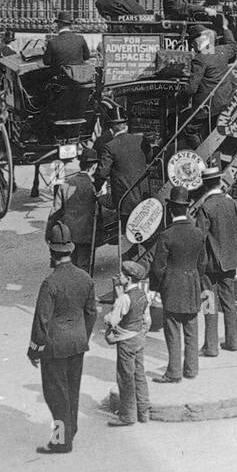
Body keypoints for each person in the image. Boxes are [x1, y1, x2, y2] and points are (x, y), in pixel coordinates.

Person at [28, 222, 98, 454]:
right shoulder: (85, 278)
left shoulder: (50, 283)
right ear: (70, 249)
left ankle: (60, 440)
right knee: (72, 389)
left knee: (55, 395)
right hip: (77, 344)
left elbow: (41, 320)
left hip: (54, 347)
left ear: (51, 251)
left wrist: (34, 350)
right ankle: (72, 428)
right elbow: (91, 313)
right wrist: (82, 335)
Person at [150, 186, 207, 382]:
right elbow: (202, 263)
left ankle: (174, 373)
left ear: (171, 209)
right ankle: (191, 370)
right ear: (187, 208)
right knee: (191, 328)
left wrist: (158, 288)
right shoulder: (198, 233)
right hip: (192, 286)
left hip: (172, 289)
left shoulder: (166, 235)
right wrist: (194, 279)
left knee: (173, 331)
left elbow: (158, 267)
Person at [193, 166, 237, 356]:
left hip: (210, 266)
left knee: (209, 304)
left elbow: (200, 239)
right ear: (219, 182)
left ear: (205, 185)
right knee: (229, 302)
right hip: (230, 263)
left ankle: (211, 346)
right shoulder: (233, 204)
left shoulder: (206, 208)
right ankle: (232, 341)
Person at [105, 258, 151, 426]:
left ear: (129, 279)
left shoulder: (124, 298)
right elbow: (147, 319)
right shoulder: (142, 295)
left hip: (126, 340)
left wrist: (107, 318)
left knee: (125, 377)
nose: (120, 276)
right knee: (139, 373)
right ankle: (144, 411)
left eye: (123, 275)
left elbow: (113, 320)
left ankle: (128, 415)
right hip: (139, 336)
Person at [46, 152, 108, 270]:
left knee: (71, 264)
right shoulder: (92, 186)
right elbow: (103, 209)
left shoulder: (65, 184)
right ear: (94, 166)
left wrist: (49, 234)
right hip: (87, 234)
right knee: (84, 265)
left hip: (69, 234)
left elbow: (54, 212)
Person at [94, 117, 154, 224]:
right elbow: (149, 158)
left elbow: (102, 172)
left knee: (127, 232)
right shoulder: (140, 140)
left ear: (112, 128)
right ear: (125, 125)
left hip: (124, 199)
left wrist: (97, 188)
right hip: (144, 196)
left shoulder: (110, 146)